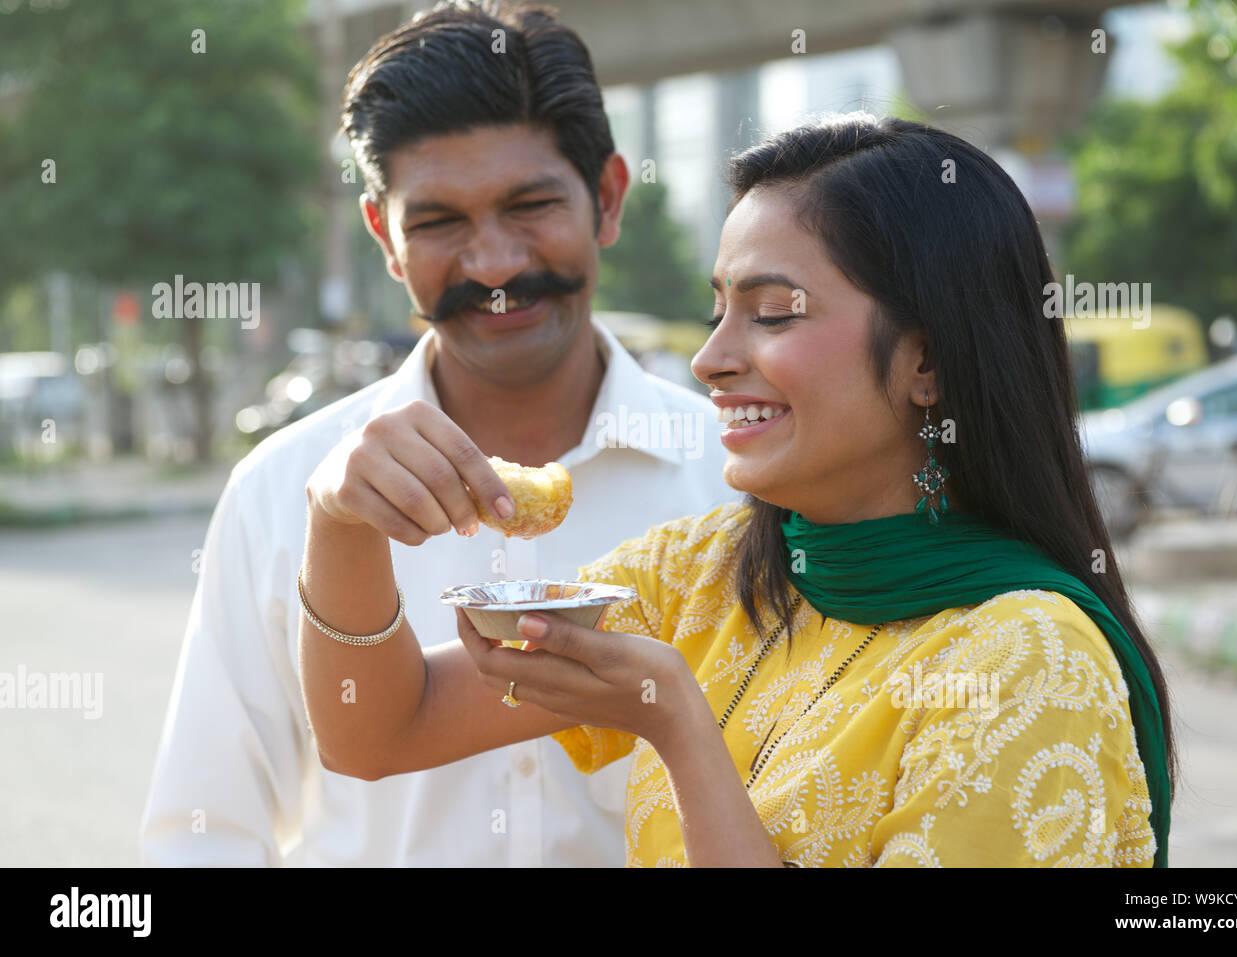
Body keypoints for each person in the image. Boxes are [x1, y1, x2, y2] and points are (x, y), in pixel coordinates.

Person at [300, 112, 1179, 868]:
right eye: (719, 306)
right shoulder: (703, 576)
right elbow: (380, 729)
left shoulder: (1027, 657)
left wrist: (680, 728)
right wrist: (338, 517)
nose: (710, 359)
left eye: (773, 311)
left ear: (930, 360)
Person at [139, 1, 736, 867]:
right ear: (384, 234)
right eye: (440, 222)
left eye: (530, 205)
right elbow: (205, 831)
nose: (492, 265)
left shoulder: (736, 481)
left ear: (607, 199)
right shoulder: (285, 487)